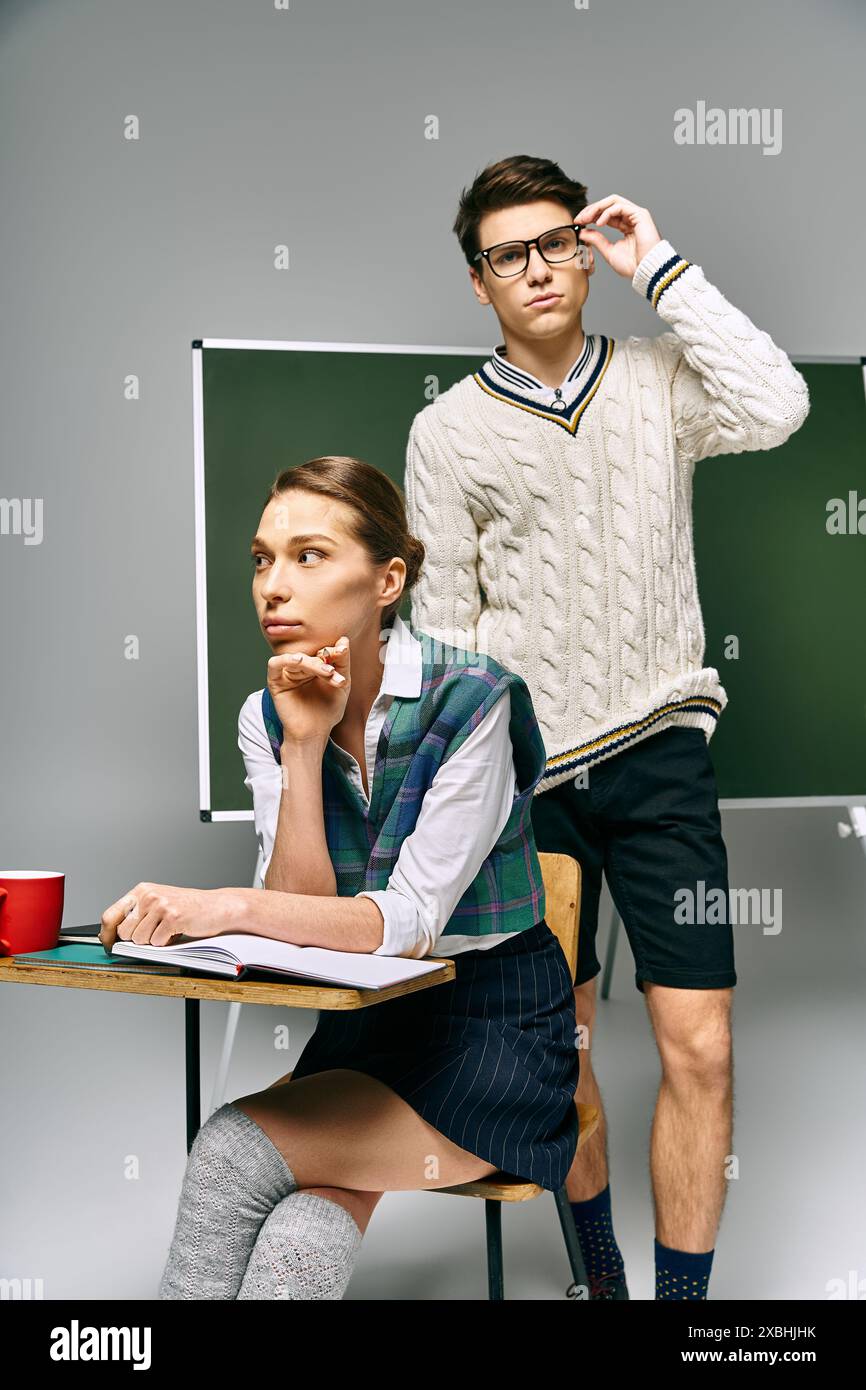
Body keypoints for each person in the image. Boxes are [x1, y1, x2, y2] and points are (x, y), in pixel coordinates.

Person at [403, 154, 811, 1300]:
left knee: (703, 1046)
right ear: (475, 284)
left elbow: (778, 404)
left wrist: (657, 264)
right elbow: (443, 645)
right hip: (527, 791)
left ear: (582, 251)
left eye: (554, 243)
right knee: (560, 1063)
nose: (535, 269)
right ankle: (602, 1283)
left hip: (660, 761)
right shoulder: (445, 435)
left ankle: (682, 1315)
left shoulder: (654, 379)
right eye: (505, 255)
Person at [100, 454, 580, 1300]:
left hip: (494, 1032)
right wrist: (302, 744)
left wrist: (220, 906)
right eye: (262, 559)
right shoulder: (269, 711)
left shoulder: (474, 700)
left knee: (232, 1150)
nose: (272, 587)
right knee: (305, 1215)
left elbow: (409, 923)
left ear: (388, 578)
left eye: (309, 556)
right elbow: (305, 921)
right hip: (365, 1026)